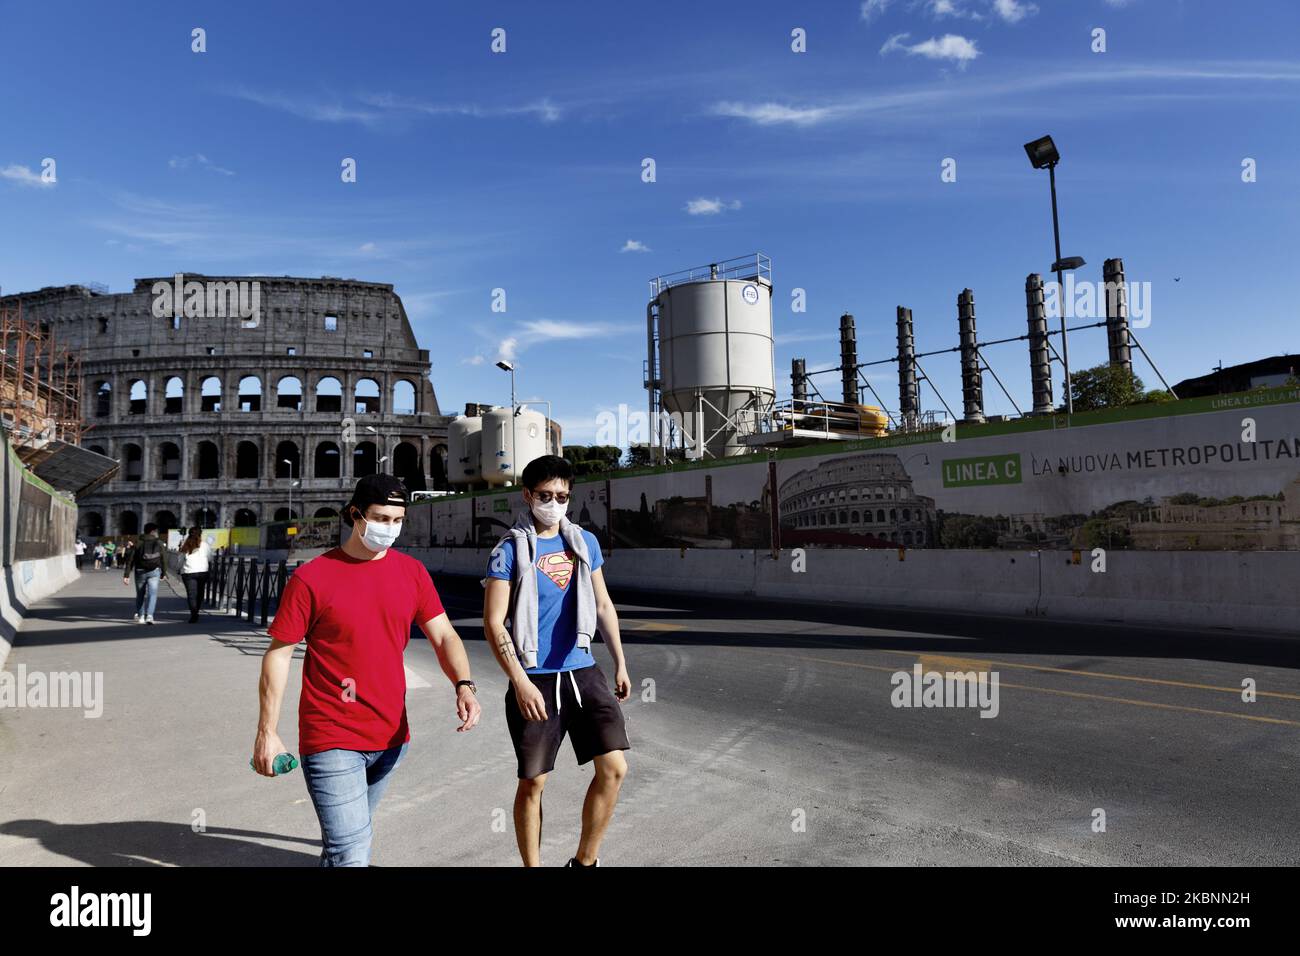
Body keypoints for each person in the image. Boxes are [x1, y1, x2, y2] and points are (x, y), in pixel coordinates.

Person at [255, 473, 482, 867]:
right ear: (354, 515)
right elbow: (278, 654)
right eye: (380, 519)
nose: (389, 529)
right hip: (332, 736)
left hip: (392, 737)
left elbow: (444, 636)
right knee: (352, 853)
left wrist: (463, 684)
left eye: (397, 520)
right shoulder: (312, 578)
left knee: (344, 845)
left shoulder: (411, 572)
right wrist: (267, 732)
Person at [483, 455, 631, 868]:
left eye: (562, 496)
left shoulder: (584, 542)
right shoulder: (509, 550)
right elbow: (494, 623)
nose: (554, 503)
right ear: (527, 495)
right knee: (533, 782)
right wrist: (520, 682)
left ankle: (584, 862)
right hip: (535, 677)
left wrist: (619, 661)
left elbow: (603, 604)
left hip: (582, 670)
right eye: (545, 495)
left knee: (615, 769)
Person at [122, 525, 167, 624]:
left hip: (140, 571)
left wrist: (126, 575)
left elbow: (130, 559)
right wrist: (164, 573)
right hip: (154, 571)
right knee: (153, 594)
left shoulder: (138, 543)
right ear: (153, 531)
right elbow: (164, 559)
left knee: (140, 594)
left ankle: (141, 616)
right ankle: (150, 616)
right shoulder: (159, 543)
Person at [178, 526, 212, 623]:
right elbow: (210, 558)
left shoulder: (185, 545)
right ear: (200, 534)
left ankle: (194, 614)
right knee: (200, 593)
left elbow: (180, 560)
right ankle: (196, 611)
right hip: (202, 572)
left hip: (188, 572)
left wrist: (178, 568)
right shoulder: (205, 545)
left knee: (191, 594)